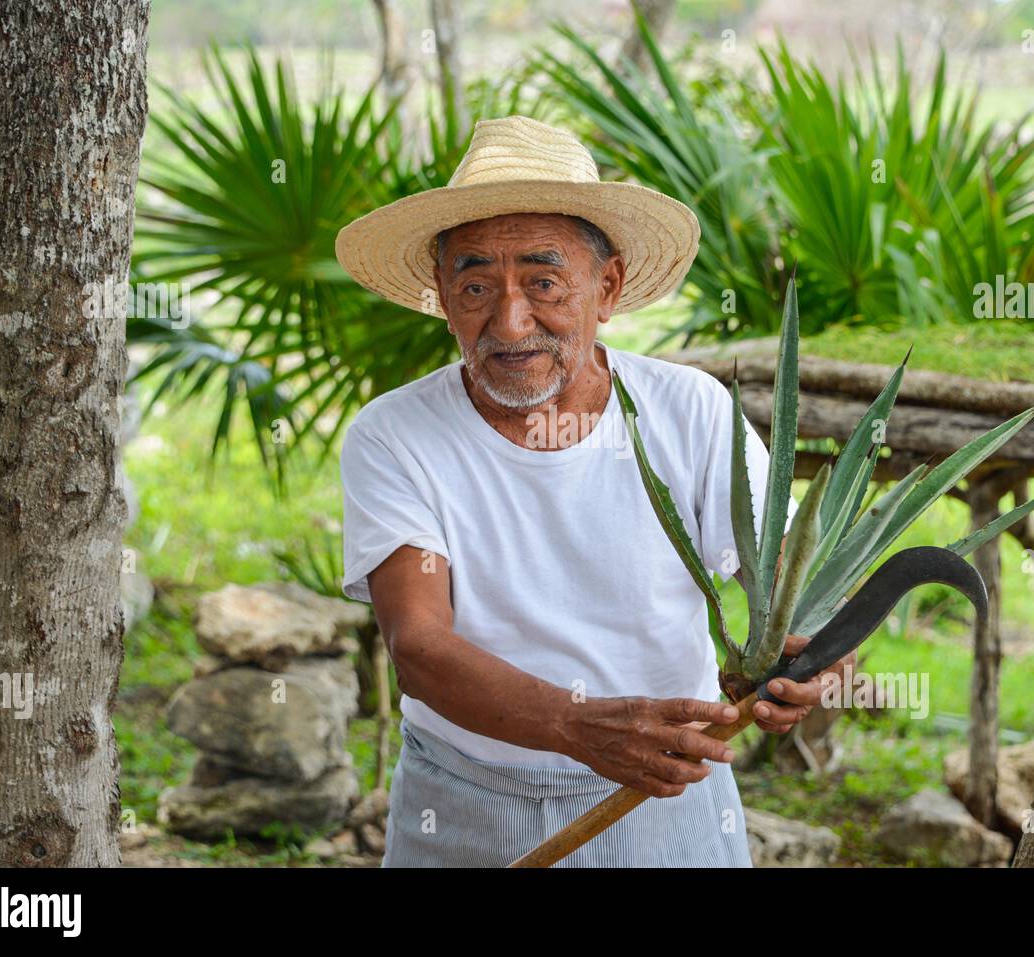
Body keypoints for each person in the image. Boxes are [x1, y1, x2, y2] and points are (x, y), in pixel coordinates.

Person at [334, 115, 854, 866]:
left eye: (544, 281)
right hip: (465, 805)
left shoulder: (690, 410)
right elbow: (418, 645)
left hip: (670, 799)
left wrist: (818, 658)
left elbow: (793, 588)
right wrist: (578, 725)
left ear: (606, 288)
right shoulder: (395, 436)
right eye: (475, 284)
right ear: (443, 298)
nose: (509, 321)